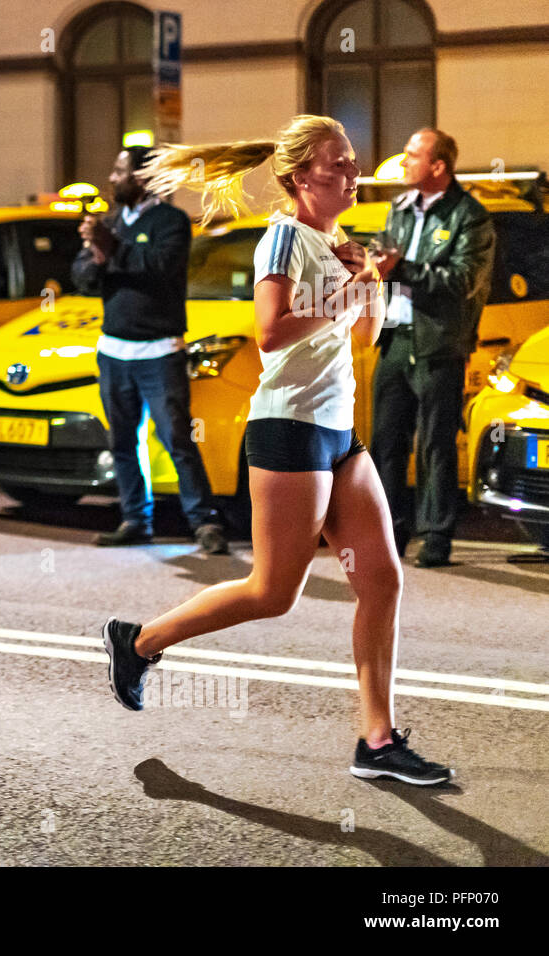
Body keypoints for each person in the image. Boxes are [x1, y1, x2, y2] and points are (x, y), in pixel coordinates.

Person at [102, 115, 454, 786]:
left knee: (381, 580)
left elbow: (368, 334)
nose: (353, 172)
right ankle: (138, 642)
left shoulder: (336, 242)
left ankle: (375, 742)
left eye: (353, 161)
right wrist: (348, 290)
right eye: (338, 163)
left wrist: (369, 282)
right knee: (273, 592)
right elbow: (270, 332)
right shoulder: (283, 239)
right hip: (288, 426)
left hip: (336, 433)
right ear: (301, 178)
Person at [73, 146, 228, 555]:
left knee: (176, 437)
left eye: (119, 171)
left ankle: (204, 522)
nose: (111, 178)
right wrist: (100, 255)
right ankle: (135, 520)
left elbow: (161, 267)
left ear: (141, 179)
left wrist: (113, 249)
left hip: (158, 352)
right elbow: (84, 276)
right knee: (123, 441)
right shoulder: (109, 224)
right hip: (114, 352)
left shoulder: (171, 221)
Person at [369, 128, 495, 568]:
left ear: (438, 166)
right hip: (394, 339)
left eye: (411, 155)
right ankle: (389, 533)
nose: (402, 162)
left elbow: (463, 281)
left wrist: (402, 268)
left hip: (439, 345)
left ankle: (436, 536)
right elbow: (384, 262)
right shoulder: (399, 209)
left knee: (435, 445)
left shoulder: (469, 216)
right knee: (385, 442)